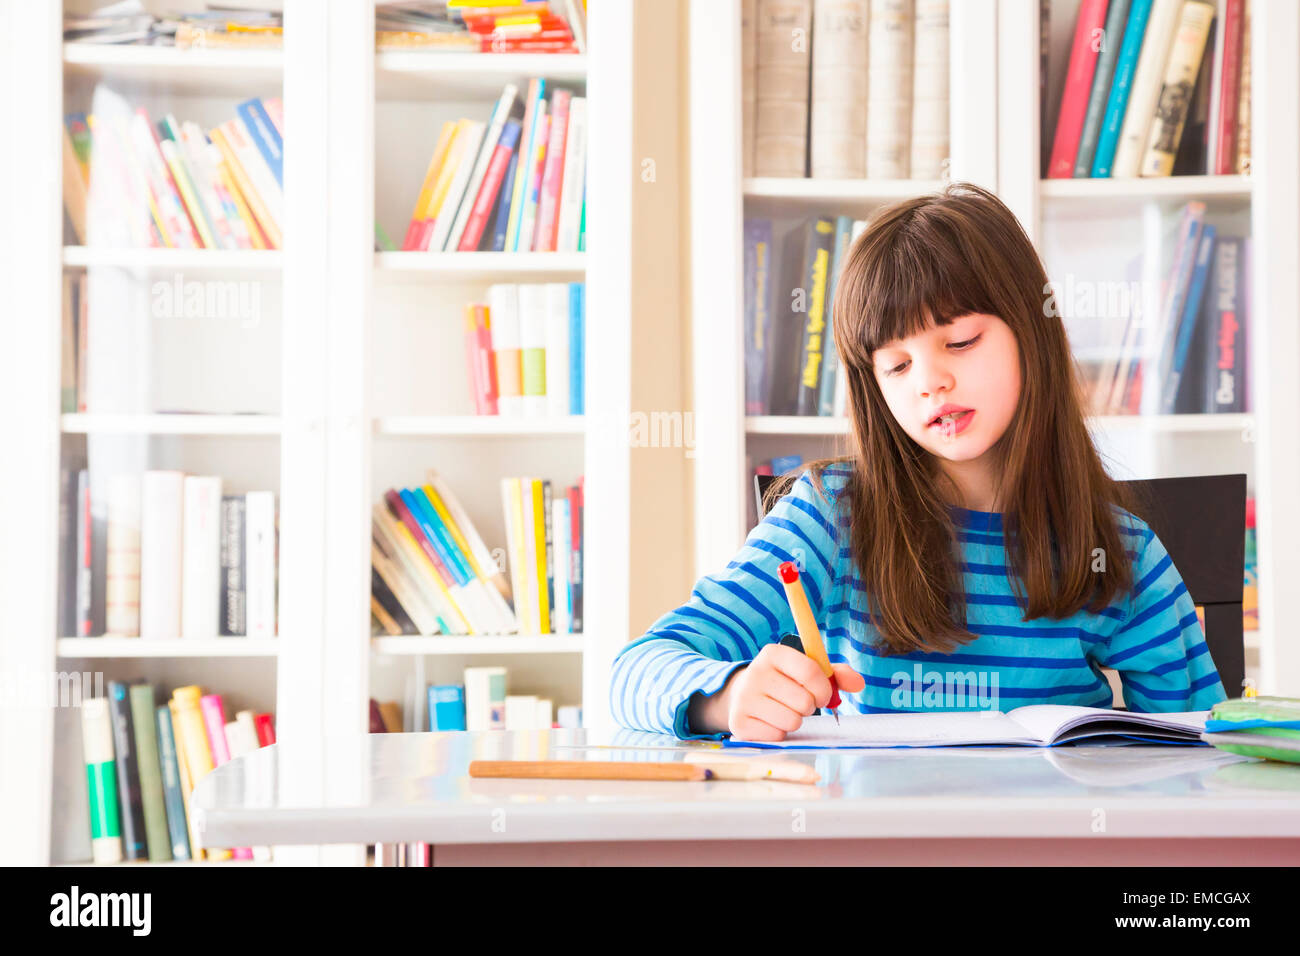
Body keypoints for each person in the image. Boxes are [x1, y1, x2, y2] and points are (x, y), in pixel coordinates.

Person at [610, 182, 1227, 741]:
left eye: (960, 341)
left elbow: (1199, 744)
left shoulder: (1119, 550)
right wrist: (725, 697)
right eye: (897, 366)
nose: (930, 381)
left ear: (1030, 333)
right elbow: (637, 668)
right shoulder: (834, 517)